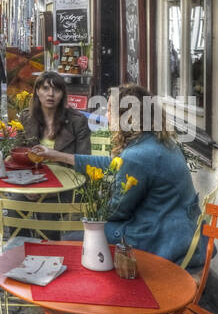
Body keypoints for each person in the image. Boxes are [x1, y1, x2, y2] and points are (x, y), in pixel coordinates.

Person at [34, 84, 205, 268]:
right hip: (179, 233)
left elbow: (117, 211)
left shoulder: (138, 156)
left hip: (161, 241)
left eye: (109, 110)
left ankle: (90, 293)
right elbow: (115, 165)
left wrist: (94, 211)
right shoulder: (158, 142)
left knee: (75, 238)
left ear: (127, 117)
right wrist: (58, 156)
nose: (106, 116)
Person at [21, 69, 91, 153]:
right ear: (37, 91)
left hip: (65, 166)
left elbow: (83, 161)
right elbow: (18, 152)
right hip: (33, 166)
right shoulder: (26, 117)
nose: (51, 94)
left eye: (56, 89)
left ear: (62, 94)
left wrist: (56, 156)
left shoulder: (78, 121)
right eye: (45, 88)